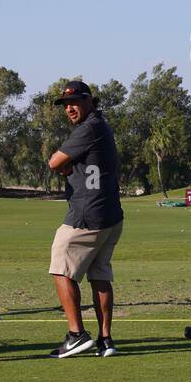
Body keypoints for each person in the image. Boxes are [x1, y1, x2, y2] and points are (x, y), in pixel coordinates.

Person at [46, 80, 123, 358]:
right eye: (66, 105)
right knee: (100, 275)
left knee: (60, 269)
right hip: (111, 213)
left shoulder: (88, 127)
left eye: (75, 102)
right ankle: (106, 341)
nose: (69, 108)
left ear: (90, 101)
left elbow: (54, 162)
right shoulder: (100, 124)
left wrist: (64, 164)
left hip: (88, 212)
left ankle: (77, 335)